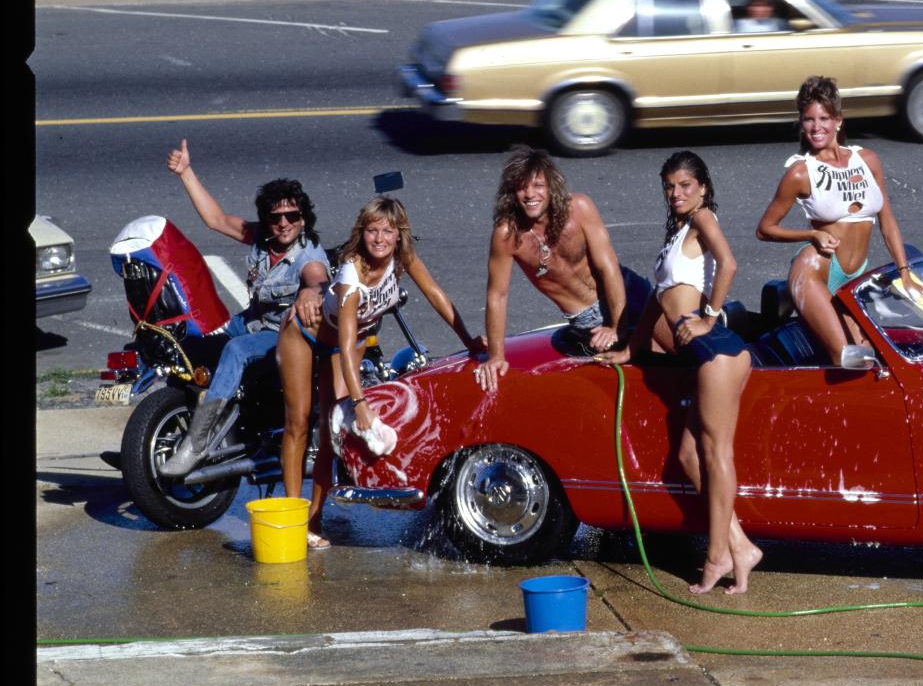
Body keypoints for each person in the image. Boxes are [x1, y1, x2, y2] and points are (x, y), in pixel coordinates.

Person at [276, 197, 481, 550]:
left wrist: (470, 340)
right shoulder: (350, 277)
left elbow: (435, 294)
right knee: (298, 422)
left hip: (347, 343)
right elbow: (344, 336)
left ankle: (314, 518)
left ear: (399, 235)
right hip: (307, 335)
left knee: (330, 433)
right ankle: (291, 519)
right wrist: (361, 404)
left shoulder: (402, 259)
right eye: (373, 230)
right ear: (362, 232)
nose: (380, 238)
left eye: (388, 231)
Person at [164, 139, 330, 475]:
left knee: (237, 350)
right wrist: (186, 172)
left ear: (302, 219)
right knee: (193, 337)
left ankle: (198, 442)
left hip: (284, 333)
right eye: (276, 217)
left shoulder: (309, 254)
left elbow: (318, 279)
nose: (283, 223)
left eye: (291, 216)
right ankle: (178, 413)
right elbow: (217, 219)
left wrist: (311, 293)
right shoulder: (262, 237)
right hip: (252, 321)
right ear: (267, 219)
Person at [638, 151, 761, 596]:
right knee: (691, 457)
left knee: (715, 455)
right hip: (705, 357)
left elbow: (728, 264)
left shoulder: (703, 217)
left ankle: (716, 558)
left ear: (703, 188)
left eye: (685, 185)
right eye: (669, 186)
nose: (676, 193)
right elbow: (658, 300)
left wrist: (709, 317)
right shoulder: (679, 233)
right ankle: (741, 547)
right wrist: (627, 350)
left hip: (717, 352)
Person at [757, 76, 922, 369]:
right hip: (814, 271)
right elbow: (765, 229)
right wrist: (811, 234)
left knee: (876, 357)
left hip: (854, 275)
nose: (816, 127)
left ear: (838, 121)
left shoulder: (867, 160)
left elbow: (887, 220)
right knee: (849, 358)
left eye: (823, 118)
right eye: (808, 119)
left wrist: (904, 270)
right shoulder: (800, 172)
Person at [476, 148, 640, 392]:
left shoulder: (580, 208)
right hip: (589, 321)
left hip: (625, 290)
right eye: (522, 187)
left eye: (538, 185)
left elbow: (609, 268)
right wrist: (496, 356)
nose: (530, 194)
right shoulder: (507, 235)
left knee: (677, 345)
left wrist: (617, 326)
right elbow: (497, 296)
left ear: (552, 186)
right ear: (511, 192)